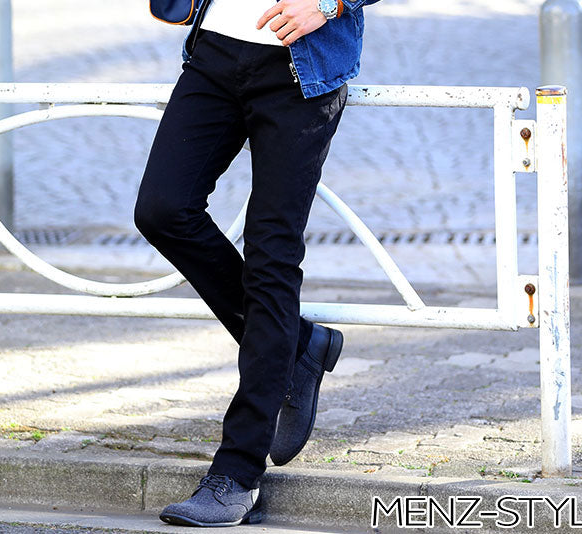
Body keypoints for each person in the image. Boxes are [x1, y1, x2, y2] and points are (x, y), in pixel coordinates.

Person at [135, 0, 380, 526]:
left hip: (299, 66)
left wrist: (329, 4)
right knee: (163, 210)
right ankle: (296, 345)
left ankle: (237, 475)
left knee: (271, 253)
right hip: (215, 50)